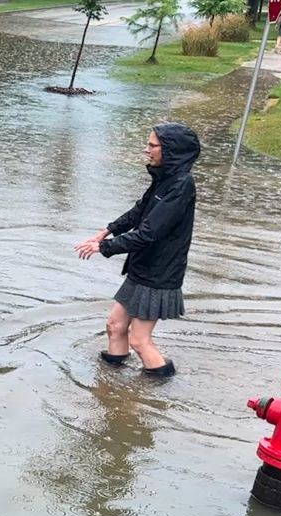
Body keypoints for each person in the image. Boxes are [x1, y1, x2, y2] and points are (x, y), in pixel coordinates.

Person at [74, 122, 201, 378]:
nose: (147, 150)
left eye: (152, 145)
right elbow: (139, 211)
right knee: (115, 326)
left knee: (139, 341)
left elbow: (149, 233)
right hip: (143, 268)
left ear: (171, 151)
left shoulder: (181, 186)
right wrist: (107, 230)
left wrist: (104, 247)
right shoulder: (164, 179)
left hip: (159, 274)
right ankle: (111, 383)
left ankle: (159, 391)